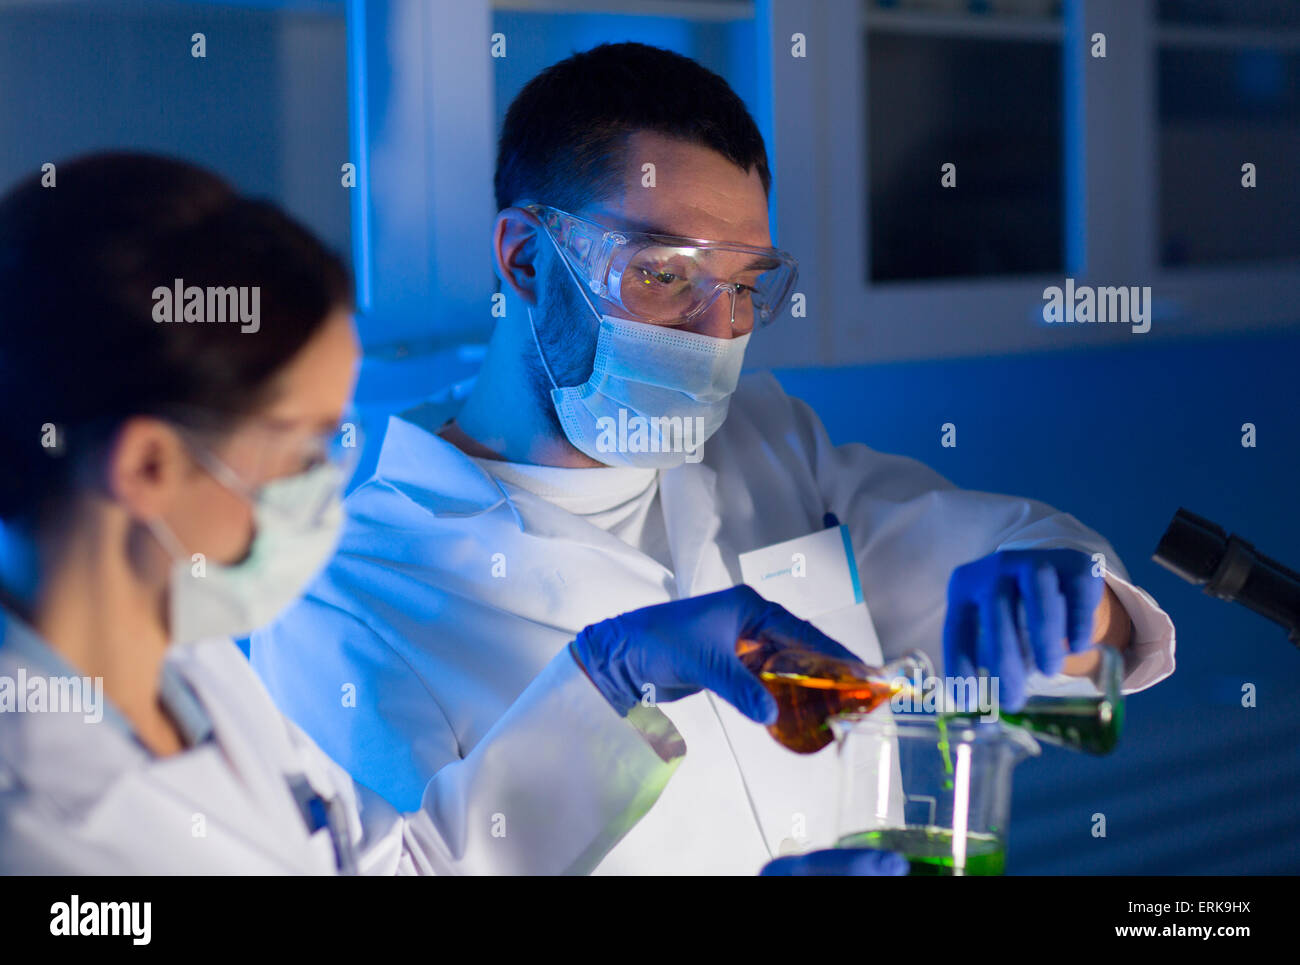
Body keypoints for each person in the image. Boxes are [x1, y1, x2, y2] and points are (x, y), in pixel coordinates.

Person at [252, 43, 1177, 874]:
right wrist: (594, 690)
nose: (715, 333)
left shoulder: (769, 443)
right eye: (662, 274)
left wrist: (1071, 601)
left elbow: (1028, 600)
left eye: (742, 287)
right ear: (526, 258)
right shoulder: (343, 597)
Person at [0, 151, 896, 875]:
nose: (327, 483)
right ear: (149, 466)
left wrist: (612, 674)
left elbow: (411, 870)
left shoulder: (188, 673)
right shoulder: (38, 825)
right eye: (302, 450)